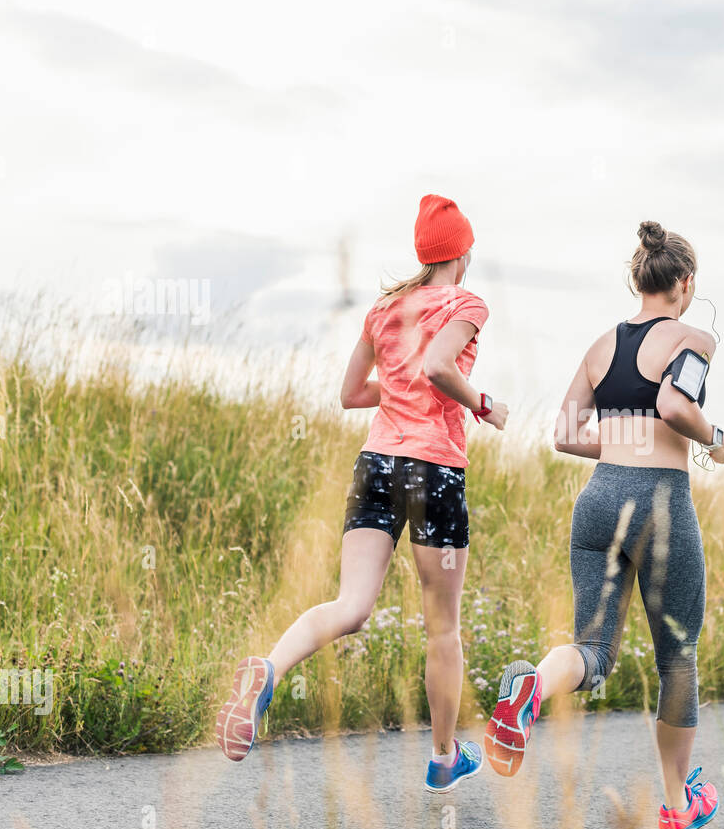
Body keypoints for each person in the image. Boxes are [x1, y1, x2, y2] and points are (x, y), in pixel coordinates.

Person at [216, 194, 508, 793]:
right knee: (443, 628)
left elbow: (351, 393)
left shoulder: (385, 308)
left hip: (377, 464)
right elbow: (437, 366)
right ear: (463, 252)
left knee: (351, 606)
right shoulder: (466, 301)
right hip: (434, 470)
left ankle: (268, 671)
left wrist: (399, 394)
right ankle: (444, 756)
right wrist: (481, 403)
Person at [484, 220, 724, 829]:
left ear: (638, 279)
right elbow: (677, 406)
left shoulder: (602, 346)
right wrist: (718, 439)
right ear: (686, 282)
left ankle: (532, 687)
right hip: (660, 505)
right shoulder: (694, 337)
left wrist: (624, 437)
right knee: (678, 656)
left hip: (597, 501)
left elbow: (566, 433)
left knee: (592, 650)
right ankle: (677, 804)